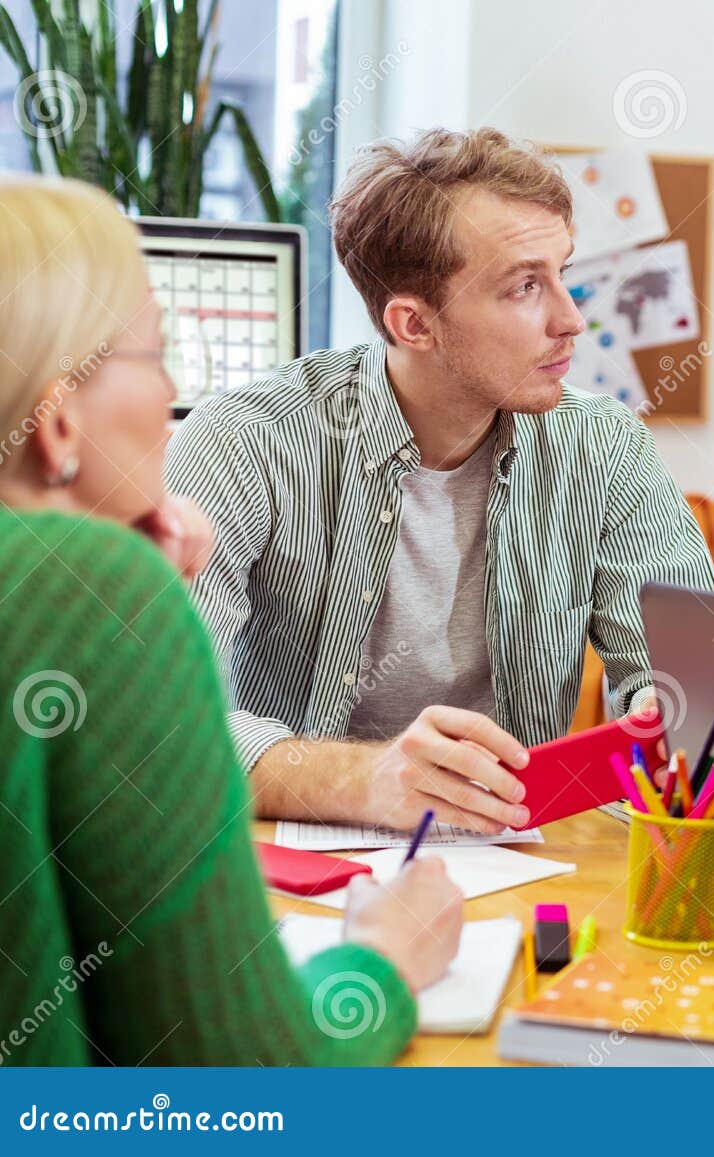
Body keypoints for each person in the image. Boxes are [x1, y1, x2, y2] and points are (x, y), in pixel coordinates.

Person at [0, 176, 462, 1064]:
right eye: (156, 353)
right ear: (57, 423)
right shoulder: (95, 594)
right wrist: (383, 960)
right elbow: (248, 1077)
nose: (175, 393)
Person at [165, 127, 714, 836]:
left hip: (516, 860)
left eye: (563, 272)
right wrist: (370, 780)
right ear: (414, 323)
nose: (571, 319)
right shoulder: (245, 440)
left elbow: (683, 695)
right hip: (284, 867)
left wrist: (670, 719)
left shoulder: (605, 447)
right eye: (525, 286)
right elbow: (161, 725)